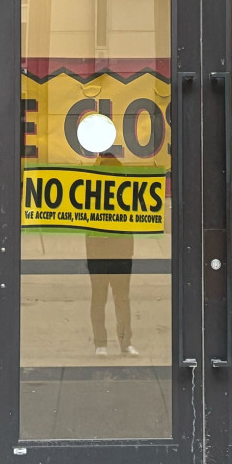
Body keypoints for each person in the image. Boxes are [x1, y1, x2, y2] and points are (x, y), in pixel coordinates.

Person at [86, 153, 138, 357]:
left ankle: (122, 343)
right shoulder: (90, 194)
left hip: (118, 253)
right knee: (104, 298)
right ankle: (103, 343)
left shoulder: (125, 195)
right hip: (100, 252)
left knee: (118, 298)